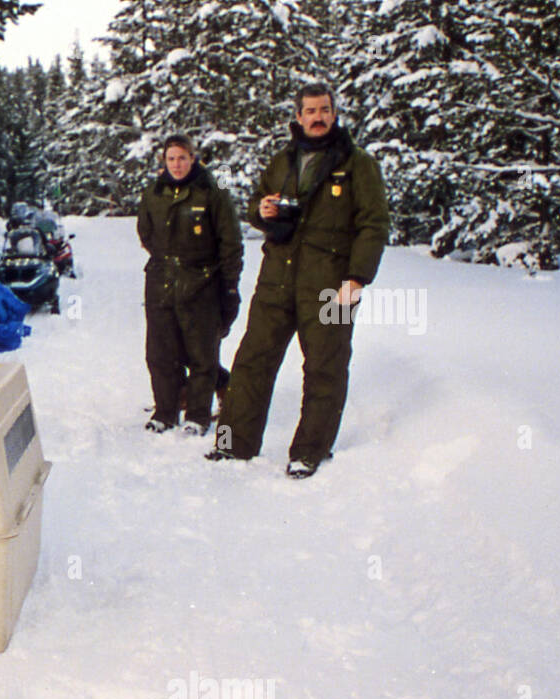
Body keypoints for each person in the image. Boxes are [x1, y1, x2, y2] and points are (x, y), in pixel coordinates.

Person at [208, 83, 389, 478]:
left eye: (324, 109)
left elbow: (373, 225)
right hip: (278, 278)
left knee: (325, 366)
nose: (318, 117)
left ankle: (310, 450)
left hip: (330, 285)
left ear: (334, 113)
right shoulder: (282, 161)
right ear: (299, 116)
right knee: (252, 360)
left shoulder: (358, 164)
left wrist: (356, 278)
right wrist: (263, 211)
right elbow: (258, 208)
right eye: (310, 111)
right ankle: (232, 444)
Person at [136, 134, 243, 434]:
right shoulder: (154, 192)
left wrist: (228, 284)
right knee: (160, 352)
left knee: (201, 352)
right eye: (171, 158)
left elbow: (230, 241)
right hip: (161, 282)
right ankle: (165, 411)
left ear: (194, 159)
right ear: (164, 161)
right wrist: (168, 259)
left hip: (201, 283)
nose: (177, 164)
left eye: (183, 158)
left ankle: (197, 415)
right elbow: (145, 232)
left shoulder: (212, 191)